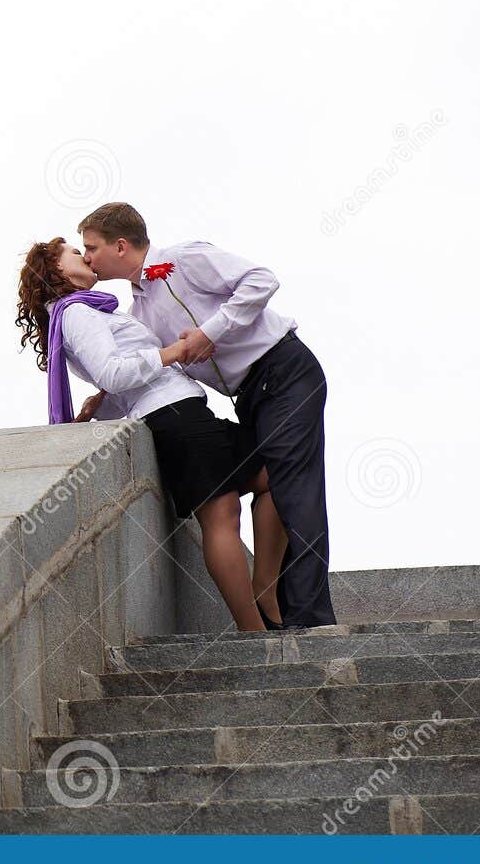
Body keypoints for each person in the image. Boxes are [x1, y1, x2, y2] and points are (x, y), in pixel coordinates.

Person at [77, 202, 336, 629]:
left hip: (285, 370)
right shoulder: (139, 314)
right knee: (281, 481)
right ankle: (279, 602)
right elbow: (148, 369)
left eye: (91, 247)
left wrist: (210, 331)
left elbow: (262, 280)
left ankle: (308, 618)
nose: (87, 257)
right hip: (251, 395)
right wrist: (99, 403)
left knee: (295, 488)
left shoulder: (183, 260)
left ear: (120, 246)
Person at [15, 236, 288, 631]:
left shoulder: (80, 313)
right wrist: (172, 353)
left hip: (182, 411)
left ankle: (265, 591)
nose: (87, 256)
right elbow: (114, 372)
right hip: (172, 416)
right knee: (223, 515)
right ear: (55, 270)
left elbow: (118, 381)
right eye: (77, 252)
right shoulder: (76, 314)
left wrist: (100, 404)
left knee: (279, 475)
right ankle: (256, 631)